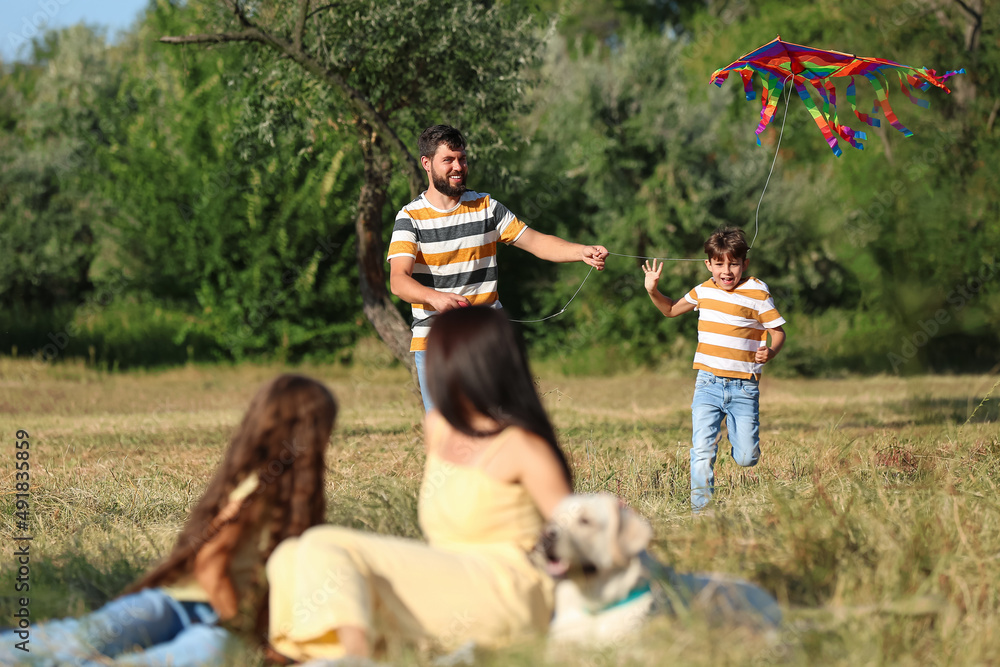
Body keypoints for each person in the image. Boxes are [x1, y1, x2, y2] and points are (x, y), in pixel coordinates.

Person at [266, 306, 573, 663]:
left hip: (507, 594)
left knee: (323, 544)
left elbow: (579, 533)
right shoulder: (439, 428)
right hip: (450, 577)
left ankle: (356, 657)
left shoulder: (522, 446)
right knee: (288, 557)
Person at [0, 374, 337, 666]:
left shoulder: (279, 497)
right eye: (323, 430)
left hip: (188, 612)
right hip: (185, 608)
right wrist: (239, 628)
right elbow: (211, 564)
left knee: (84, 643)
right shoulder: (256, 491)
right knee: (81, 643)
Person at [387, 124, 609, 411]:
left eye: (462, 159)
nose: (459, 167)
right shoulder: (409, 218)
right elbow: (398, 281)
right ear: (426, 164)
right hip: (436, 342)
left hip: (488, 339)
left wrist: (581, 251)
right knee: (447, 433)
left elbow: (537, 242)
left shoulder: (486, 207)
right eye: (449, 160)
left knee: (500, 426)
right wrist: (436, 298)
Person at [641, 228, 786, 512]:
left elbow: (778, 332)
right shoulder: (703, 290)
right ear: (709, 265)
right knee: (702, 449)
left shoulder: (757, 290)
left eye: (733, 263)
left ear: (744, 263)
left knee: (746, 457)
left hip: (743, 386)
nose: (726, 270)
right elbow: (670, 310)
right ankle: (701, 511)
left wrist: (771, 351)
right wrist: (653, 290)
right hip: (707, 383)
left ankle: (738, 440)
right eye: (719, 264)